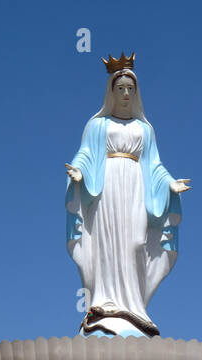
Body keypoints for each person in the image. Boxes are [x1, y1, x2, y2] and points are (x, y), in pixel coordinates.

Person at [64, 52, 190, 337]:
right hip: (106, 187)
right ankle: (105, 301)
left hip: (135, 186)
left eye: (130, 89)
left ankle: (133, 305)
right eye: (119, 88)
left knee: (135, 242)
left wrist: (170, 185)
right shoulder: (97, 125)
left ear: (136, 93)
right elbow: (84, 154)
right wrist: (80, 174)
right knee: (107, 243)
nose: (125, 93)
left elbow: (155, 165)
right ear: (111, 91)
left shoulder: (144, 129)